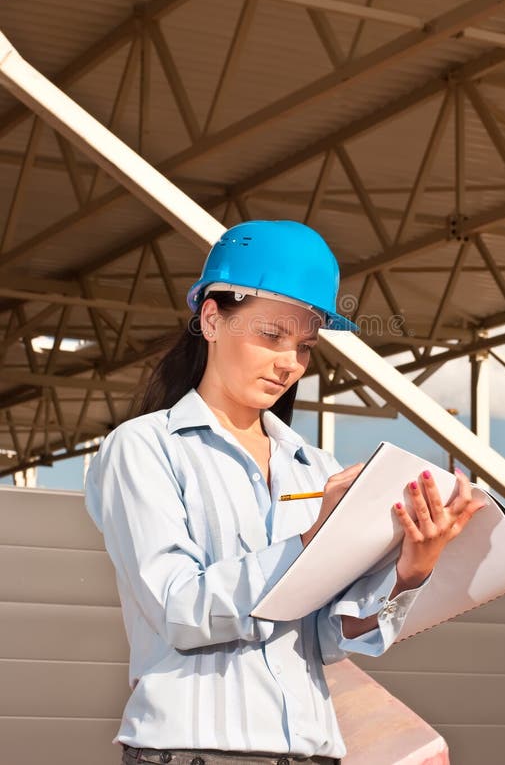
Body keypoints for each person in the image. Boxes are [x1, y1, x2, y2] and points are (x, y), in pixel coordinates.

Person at [84, 219, 483, 765]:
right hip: (195, 752)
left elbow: (325, 640)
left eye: (304, 346)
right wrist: (312, 537)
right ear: (211, 319)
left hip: (311, 754)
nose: (289, 363)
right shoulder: (145, 449)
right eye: (271, 336)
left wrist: (410, 569)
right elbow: (179, 609)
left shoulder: (315, 469)